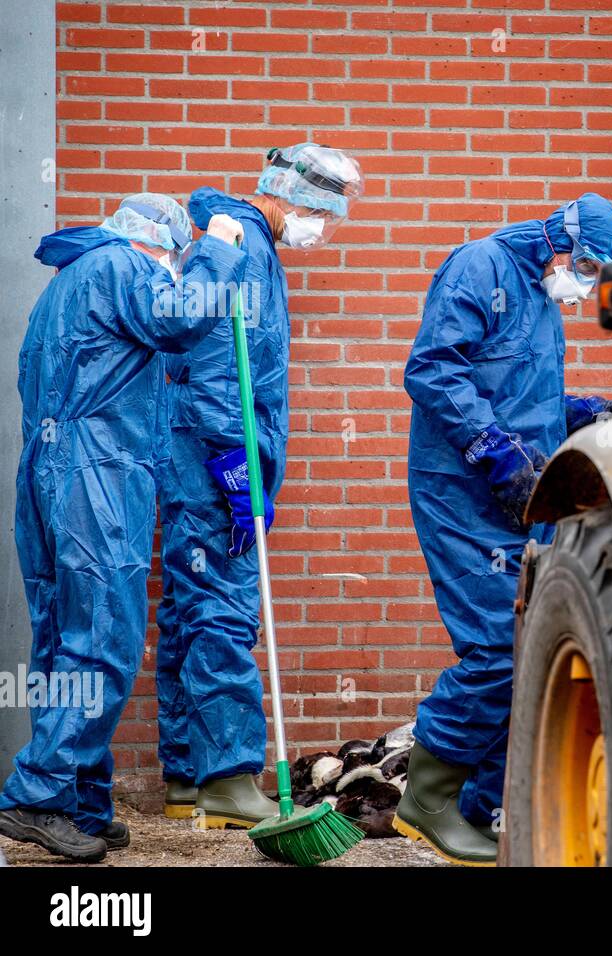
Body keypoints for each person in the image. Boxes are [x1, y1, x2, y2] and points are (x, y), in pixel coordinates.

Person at [0, 194, 247, 863]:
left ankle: (80, 798)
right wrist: (220, 250)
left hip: (56, 473)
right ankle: (40, 794)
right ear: (158, 244)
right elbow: (181, 320)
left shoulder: (68, 283)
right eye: (173, 258)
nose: (171, 270)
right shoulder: (118, 266)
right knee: (104, 637)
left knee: (66, 635)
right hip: (97, 479)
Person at [397, 194, 612, 864]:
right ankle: (425, 800)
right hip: (462, 491)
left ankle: (481, 808)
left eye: (596, 272)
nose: (583, 281)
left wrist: (587, 410)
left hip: (520, 493)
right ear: (560, 240)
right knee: (499, 647)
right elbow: (432, 369)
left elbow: (525, 397)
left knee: (529, 646)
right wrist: (492, 450)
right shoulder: (480, 266)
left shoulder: (541, 298)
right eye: (584, 264)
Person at [155, 144, 363, 828]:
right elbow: (216, 372)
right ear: (293, 199)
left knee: (192, 613)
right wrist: (238, 473)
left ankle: (188, 774)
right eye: (323, 216)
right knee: (222, 615)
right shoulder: (239, 250)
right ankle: (229, 778)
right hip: (213, 467)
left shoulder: (253, 251)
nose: (323, 231)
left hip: (209, 465)